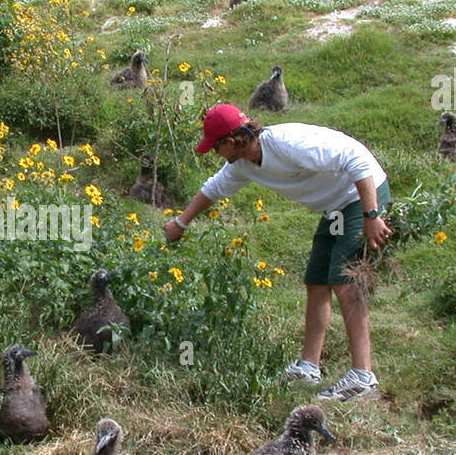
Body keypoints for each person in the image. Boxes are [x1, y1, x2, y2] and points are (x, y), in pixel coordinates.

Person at [163, 104, 392, 401]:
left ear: (232, 141)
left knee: (345, 281)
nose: (215, 154)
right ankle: (308, 367)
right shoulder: (243, 164)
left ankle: (363, 376)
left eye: (216, 147)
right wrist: (181, 223)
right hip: (334, 208)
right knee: (317, 281)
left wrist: (371, 215)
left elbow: (357, 159)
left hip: (359, 196)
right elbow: (214, 188)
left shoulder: (287, 144)